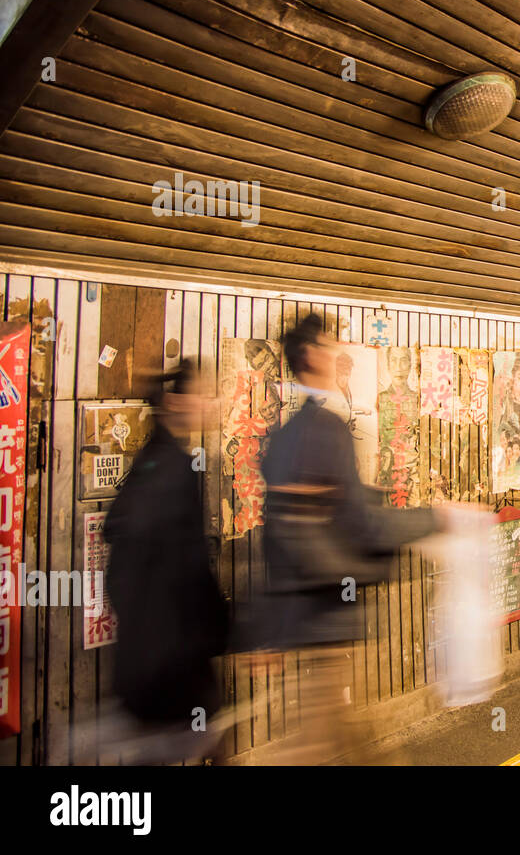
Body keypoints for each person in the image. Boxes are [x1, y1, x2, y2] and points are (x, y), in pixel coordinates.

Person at [249, 314, 464, 762]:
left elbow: (284, 528)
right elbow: (357, 525)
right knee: (325, 734)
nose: (337, 354)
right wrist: (434, 519)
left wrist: (270, 626)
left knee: (333, 726)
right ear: (310, 355)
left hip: (305, 607)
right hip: (328, 602)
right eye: (329, 345)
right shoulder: (325, 431)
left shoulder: (286, 435)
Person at [102, 360, 228, 763]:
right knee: (199, 741)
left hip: (157, 650)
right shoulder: (171, 468)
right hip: (171, 655)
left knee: (191, 742)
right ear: (175, 402)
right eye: (203, 393)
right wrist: (225, 631)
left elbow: (121, 546)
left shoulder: (158, 459)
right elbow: (187, 567)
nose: (211, 402)